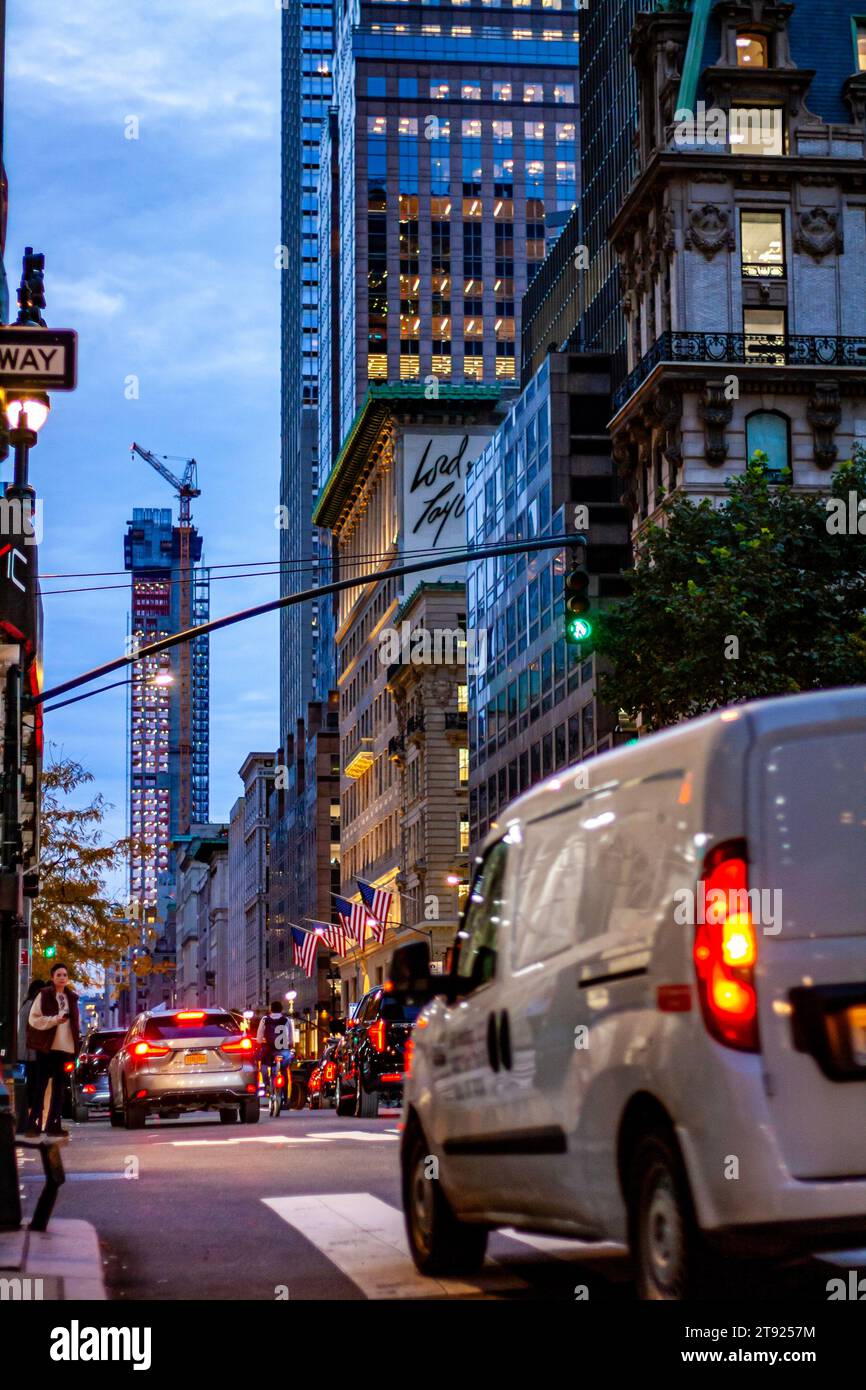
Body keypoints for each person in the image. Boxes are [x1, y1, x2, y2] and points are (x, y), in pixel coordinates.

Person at [25, 962, 81, 1138]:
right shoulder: (44, 994)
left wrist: (75, 1047)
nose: (62, 978)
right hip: (46, 1048)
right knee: (40, 1086)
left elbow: (75, 1023)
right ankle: (33, 1124)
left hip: (64, 1048)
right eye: (59, 975)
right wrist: (54, 1020)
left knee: (59, 1088)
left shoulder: (71, 997)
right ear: (52, 977)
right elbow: (34, 1019)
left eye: (65, 975)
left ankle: (54, 1124)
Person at [15, 978, 47, 1135]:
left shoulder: (23, 1006)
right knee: (34, 1090)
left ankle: (22, 1123)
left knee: (20, 1090)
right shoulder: (33, 1006)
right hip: (30, 1057)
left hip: (19, 1056)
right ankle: (28, 1124)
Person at [256, 1001, 295, 1101]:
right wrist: (291, 1046)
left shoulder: (265, 1020)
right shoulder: (287, 1020)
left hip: (269, 1050)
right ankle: (285, 1095)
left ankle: (267, 1086)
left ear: (270, 1009)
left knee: (264, 1068)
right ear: (281, 1010)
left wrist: (260, 1043)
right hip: (283, 1050)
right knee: (284, 1070)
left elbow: (259, 1038)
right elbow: (291, 1038)